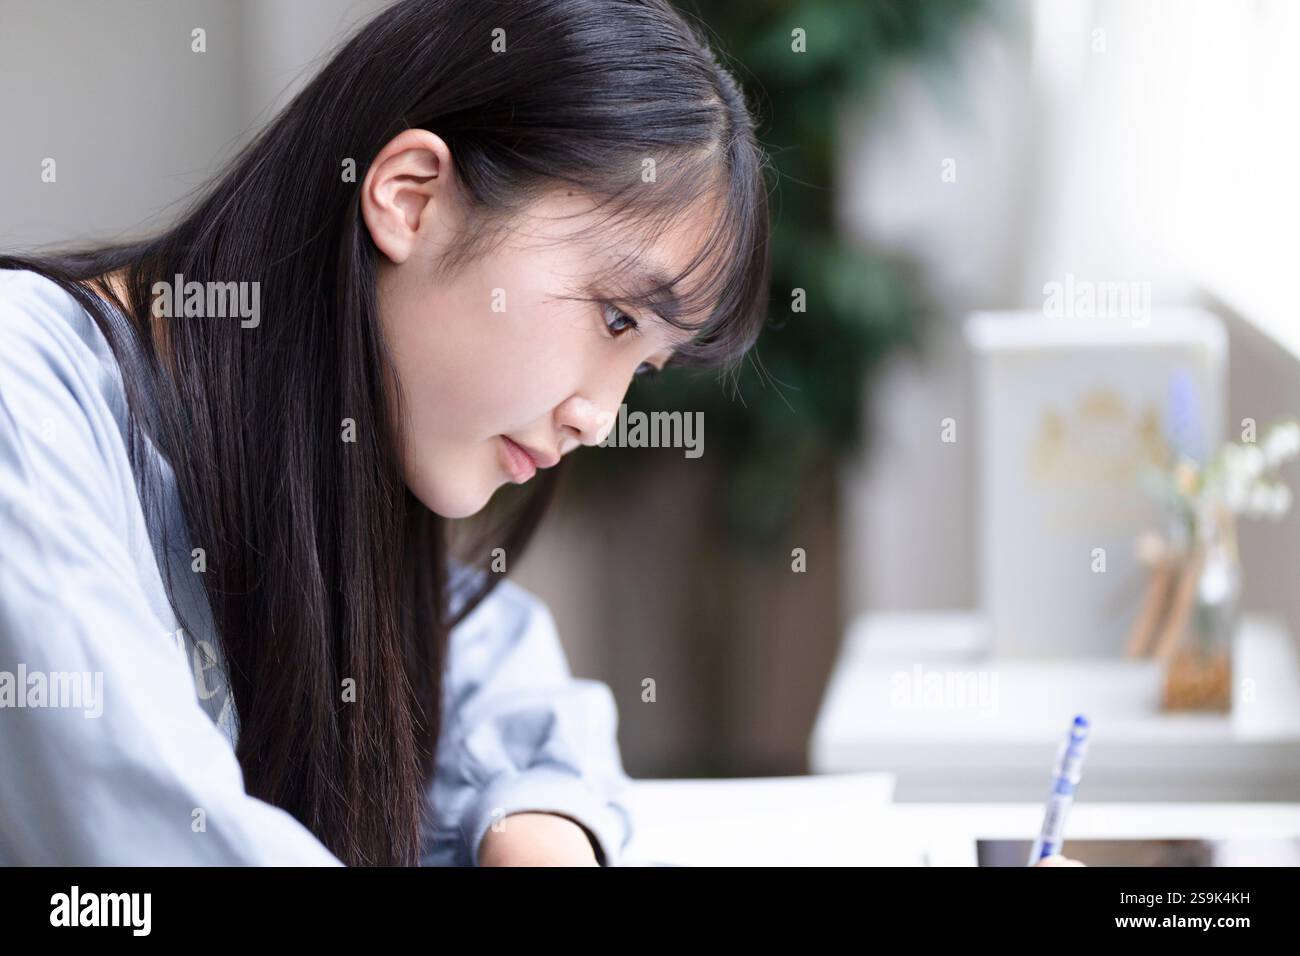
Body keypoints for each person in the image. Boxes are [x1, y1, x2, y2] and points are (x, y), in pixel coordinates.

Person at [0, 0, 770, 866]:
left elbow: (501, 678)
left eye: (644, 369)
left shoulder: (327, 478)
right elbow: (133, 830)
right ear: (410, 199)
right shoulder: (22, 391)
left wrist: (541, 830)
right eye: (619, 319)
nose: (599, 417)